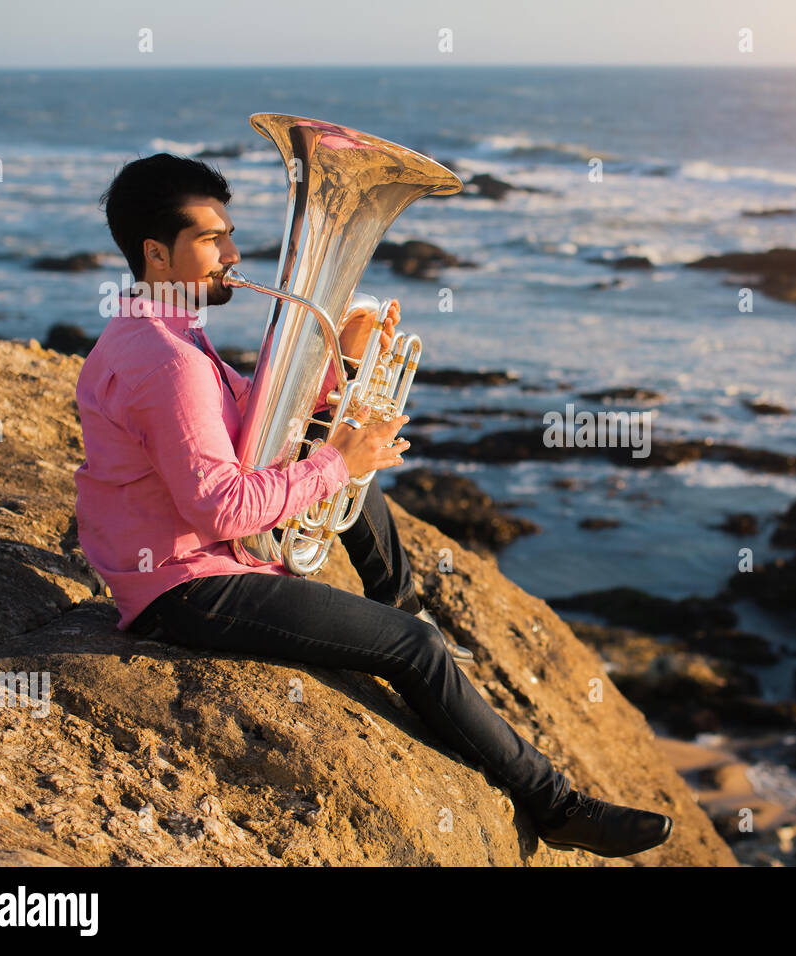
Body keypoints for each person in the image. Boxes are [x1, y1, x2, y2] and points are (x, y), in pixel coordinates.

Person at [73, 153, 672, 859]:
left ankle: (402, 600)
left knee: (351, 475)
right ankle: (558, 807)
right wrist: (337, 461)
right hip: (186, 589)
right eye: (212, 239)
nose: (233, 254)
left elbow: (255, 427)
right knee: (411, 645)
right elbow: (222, 508)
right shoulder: (164, 360)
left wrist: (344, 368)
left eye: (229, 234)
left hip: (200, 564)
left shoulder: (169, 332)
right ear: (155, 253)